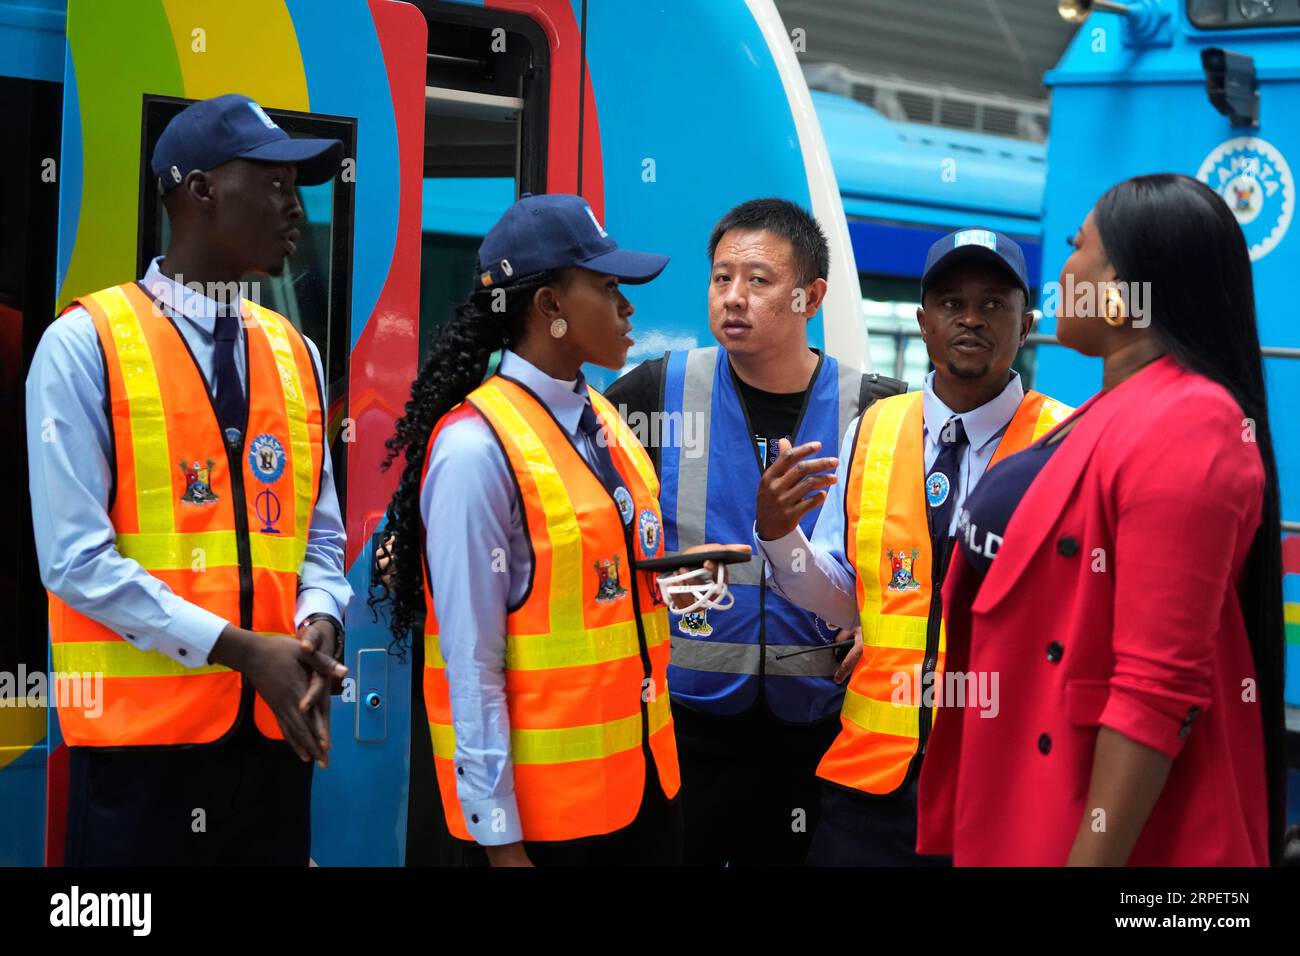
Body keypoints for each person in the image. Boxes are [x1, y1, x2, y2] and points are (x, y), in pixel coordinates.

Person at [917, 174, 1286, 866]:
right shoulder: (1109, 412)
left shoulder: (1190, 421)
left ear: (1119, 288)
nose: (1064, 268)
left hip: (1114, 834)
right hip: (1034, 799)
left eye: (1078, 247)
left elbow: (1155, 689)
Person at [26, 93, 351, 865]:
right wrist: (241, 648)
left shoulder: (296, 353)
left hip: (273, 745)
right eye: (275, 184)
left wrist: (318, 620)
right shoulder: (84, 345)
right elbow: (74, 559)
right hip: (141, 763)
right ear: (200, 190)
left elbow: (321, 535)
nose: (295, 208)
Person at [374, 193, 741, 866]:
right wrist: (499, 840)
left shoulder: (600, 419)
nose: (628, 307)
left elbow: (587, 587)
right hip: (548, 830)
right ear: (550, 308)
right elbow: (472, 665)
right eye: (608, 288)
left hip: (646, 792)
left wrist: (672, 582)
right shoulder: (474, 449)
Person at [755, 227, 1073, 866]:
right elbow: (846, 603)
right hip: (869, 783)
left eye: (993, 303)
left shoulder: (1065, 443)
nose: (972, 319)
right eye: (952, 303)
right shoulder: (872, 430)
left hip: (1002, 783)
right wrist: (777, 534)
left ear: (1027, 322)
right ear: (924, 322)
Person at [605, 198, 903, 865]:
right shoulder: (659, 392)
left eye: (759, 281)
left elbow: (912, 559)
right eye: (721, 279)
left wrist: (872, 622)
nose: (734, 297)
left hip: (824, 729)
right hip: (688, 725)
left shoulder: (880, 410)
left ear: (811, 296)